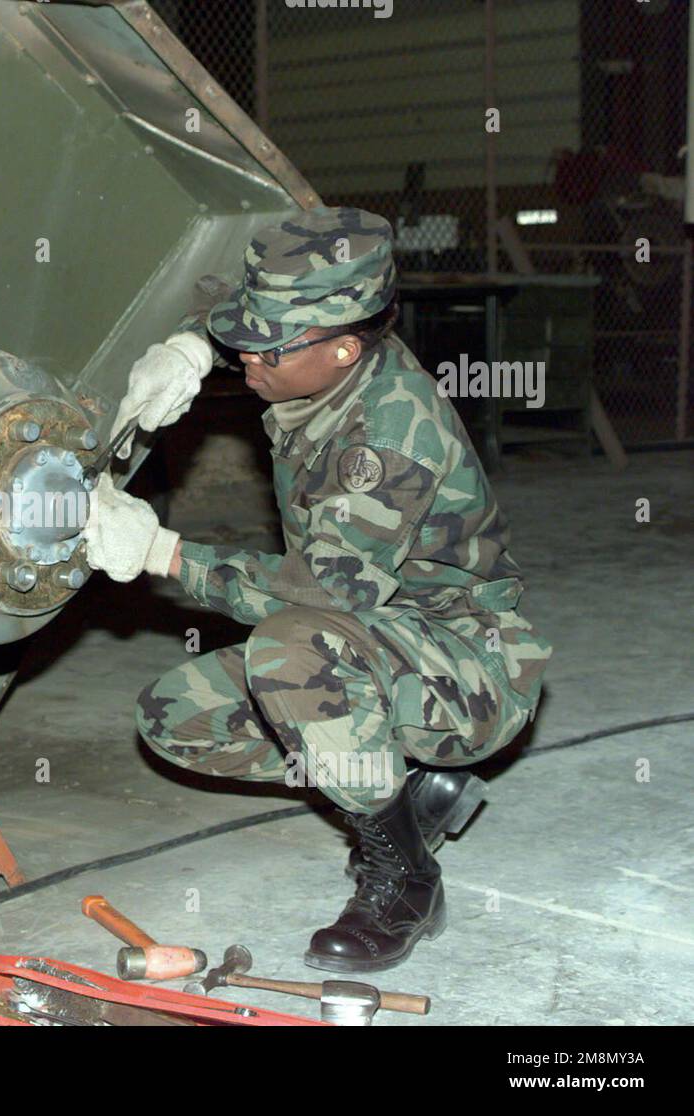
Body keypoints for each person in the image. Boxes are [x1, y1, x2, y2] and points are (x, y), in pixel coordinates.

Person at [81, 206, 552, 973]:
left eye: (262, 347)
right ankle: (405, 791)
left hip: (465, 664)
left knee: (289, 651)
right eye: (241, 337)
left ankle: (405, 880)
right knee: (176, 718)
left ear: (341, 349)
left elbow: (321, 593)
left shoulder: (388, 441)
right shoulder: (328, 347)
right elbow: (232, 307)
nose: (246, 358)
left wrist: (163, 553)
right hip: (375, 638)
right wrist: (186, 347)